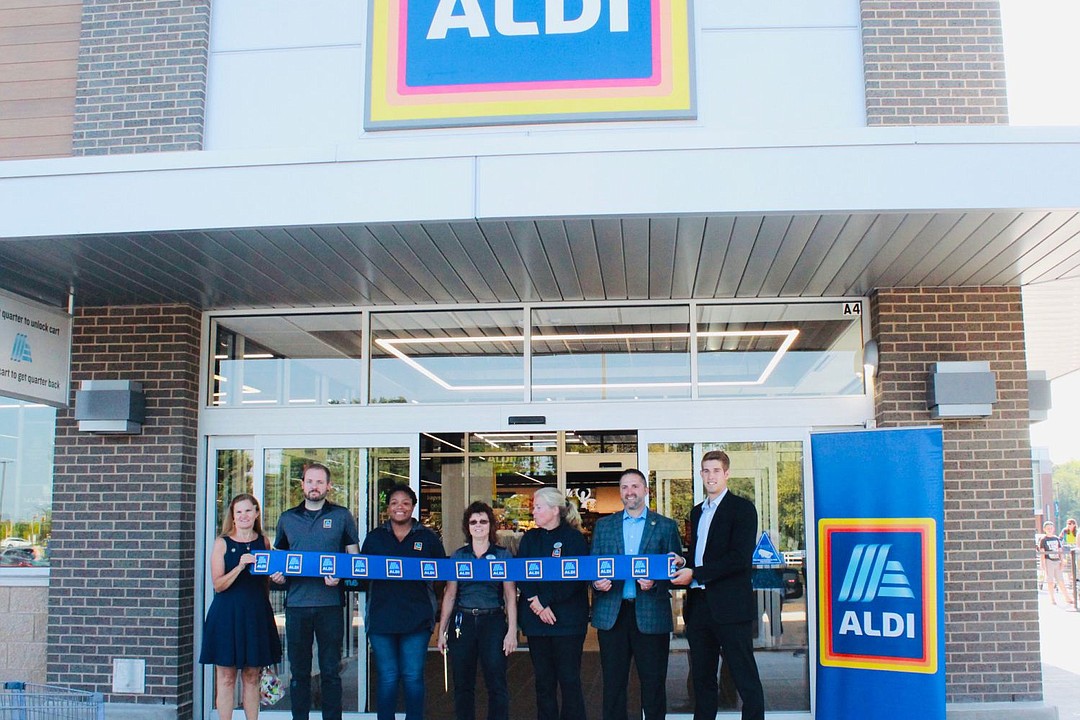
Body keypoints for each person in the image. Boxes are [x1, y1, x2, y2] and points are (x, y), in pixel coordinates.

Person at [672, 450, 765, 720]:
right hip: (700, 608)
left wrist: (696, 573)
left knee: (744, 676)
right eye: (706, 471)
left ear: (727, 474)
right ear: (700, 474)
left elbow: (738, 559)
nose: (710, 476)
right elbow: (700, 554)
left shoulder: (742, 509)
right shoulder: (697, 512)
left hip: (731, 608)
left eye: (716, 471)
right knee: (702, 678)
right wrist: (683, 560)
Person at [590, 469, 684, 720]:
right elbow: (593, 567)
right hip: (613, 614)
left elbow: (675, 574)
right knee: (613, 685)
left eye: (634, 486)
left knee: (653, 685)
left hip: (651, 615)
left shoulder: (665, 526)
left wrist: (655, 583)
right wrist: (597, 583)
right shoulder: (604, 526)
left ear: (645, 490)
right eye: (624, 487)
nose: (629, 492)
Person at [270, 463, 360, 720]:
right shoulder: (287, 518)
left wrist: (341, 577)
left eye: (320, 482)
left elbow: (355, 562)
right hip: (296, 606)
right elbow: (280, 562)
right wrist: (278, 576)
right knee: (299, 673)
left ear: (328, 486)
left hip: (330, 605)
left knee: (331, 671)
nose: (314, 487)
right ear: (302, 484)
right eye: (310, 481)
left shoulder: (342, 516)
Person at [360, 484, 446, 720]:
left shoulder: (427, 538)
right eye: (395, 502)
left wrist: (434, 608)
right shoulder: (375, 538)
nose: (400, 507)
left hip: (416, 619)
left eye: (406, 503)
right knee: (387, 678)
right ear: (388, 508)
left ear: (413, 507)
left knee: (412, 677)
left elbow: (441, 575)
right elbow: (361, 574)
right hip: (381, 619)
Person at [201, 493, 282, 720]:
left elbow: (265, 582)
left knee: (252, 675)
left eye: (248, 510)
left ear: (256, 513)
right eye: (239, 512)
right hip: (227, 615)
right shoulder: (222, 543)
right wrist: (239, 567)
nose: (244, 515)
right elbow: (218, 585)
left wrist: (277, 576)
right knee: (226, 677)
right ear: (233, 517)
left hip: (255, 614)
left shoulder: (264, 542)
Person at [436, 501, 518, 720]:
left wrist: (512, 631)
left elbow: (510, 595)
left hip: (493, 621)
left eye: (483, 521)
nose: (478, 525)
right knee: (462, 684)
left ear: (491, 525)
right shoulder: (458, 556)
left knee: (496, 683)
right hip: (463, 622)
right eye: (473, 522)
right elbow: (450, 594)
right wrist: (442, 630)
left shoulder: (503, 555)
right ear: (467, 526)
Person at [517, 487, 590, 720]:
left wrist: (546, 600)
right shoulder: (530, 538)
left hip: (567, 621)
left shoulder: (574, 539)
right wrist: (536, 603)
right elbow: (521, 573)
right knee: (543, 681)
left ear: (554, 510)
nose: (534, 512)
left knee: (569, 679)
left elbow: (577, 579)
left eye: (538, 507)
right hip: (537, 622)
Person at [1039, 520, 1075, 606]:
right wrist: (1043, 564)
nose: (1050, 530)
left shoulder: (1056, 538)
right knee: (1050, 580)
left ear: (1053, 529)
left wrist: (1062, 561)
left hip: (1056, 561)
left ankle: (1067, 597)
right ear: (1044, 529)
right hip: (1049, 561)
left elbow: (1060, 550)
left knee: (1060, 580)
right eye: (1048, 528)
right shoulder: (1043, 540)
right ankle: (1052, 598)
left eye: (1051, 528)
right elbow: (1042, 553)